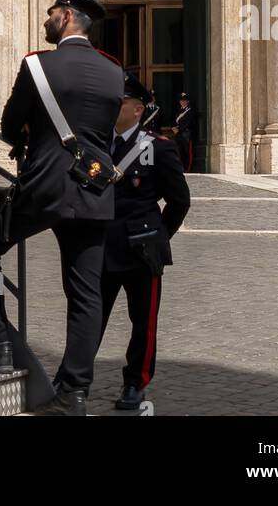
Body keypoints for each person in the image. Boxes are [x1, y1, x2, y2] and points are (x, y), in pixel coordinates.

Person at [0, 0, 124, 417]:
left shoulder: (37, 66)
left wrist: (31, 136)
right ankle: (73, 393)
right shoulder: (114, 72)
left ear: (68, 16)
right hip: (93, 192)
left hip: (44, 189)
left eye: (52, 12)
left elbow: (13, 125)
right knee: (86, 294)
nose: (46, 19)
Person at [100, 73, 191, 411]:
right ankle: (75, 378)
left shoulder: (158, 148)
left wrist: (159, 235)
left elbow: (179, 201)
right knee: (89, 317)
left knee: (143, 322)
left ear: (137, 109)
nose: (112, 106)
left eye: (119, 102)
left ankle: (135, 383)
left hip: (141, 250)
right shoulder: (98, 144)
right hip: (103, 249)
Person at [173, 92, 196, 172]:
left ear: (187, 101)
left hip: (187, 134)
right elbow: (176, 122)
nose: (183, 102)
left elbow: (189, 123)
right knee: (180, 152)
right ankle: (181, 168)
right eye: (181, 100)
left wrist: (179, 129)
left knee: (187, 152)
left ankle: (188, 169)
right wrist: (174, 128)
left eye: (184, 100)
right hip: (179, 135)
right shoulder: (179, 111)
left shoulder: (190, 111)